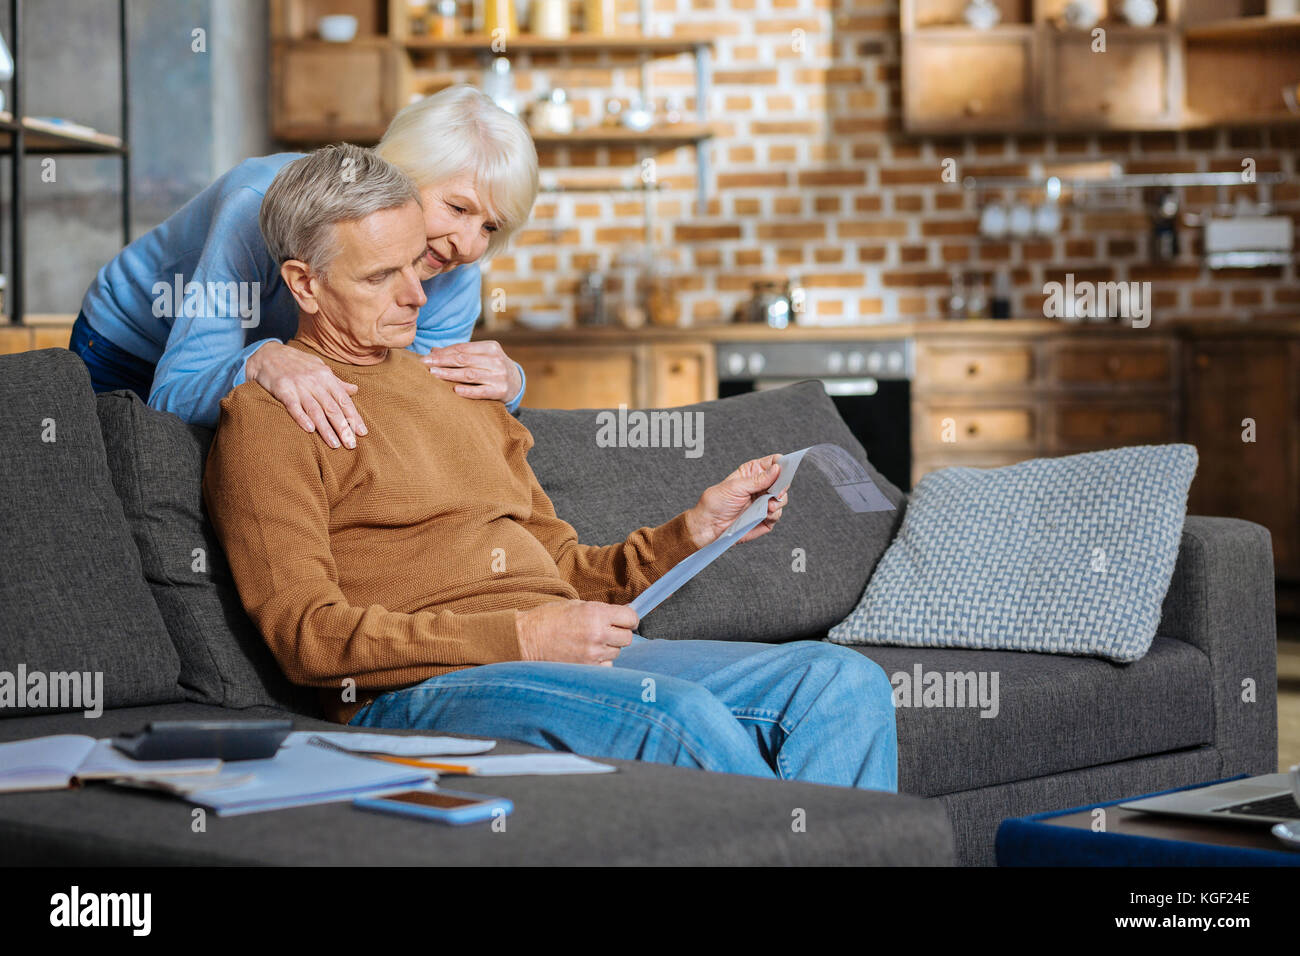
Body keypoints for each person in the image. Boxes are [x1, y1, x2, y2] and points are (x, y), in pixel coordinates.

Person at [202, 145, 898, 791]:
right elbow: (308, 637)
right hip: (418, 688)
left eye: (415, 264)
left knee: (839, 682)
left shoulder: (462, 386)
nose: (416, 294)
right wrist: (522, 636)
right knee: (675, 716)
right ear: (305, 284)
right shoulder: (270, 418)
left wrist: (694, 531)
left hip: (561, 656)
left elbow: (567, 571)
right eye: (381, 276)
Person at [71, 85, 536, 448]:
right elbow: (174, 395)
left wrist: (510, 384)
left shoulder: (452, 266)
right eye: (457, 208)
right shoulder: (254, 207)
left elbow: (409, 400)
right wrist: (259, 360)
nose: (467, 246)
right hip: (132, 340)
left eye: (490, 227)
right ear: (404, 172)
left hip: (266, 365)